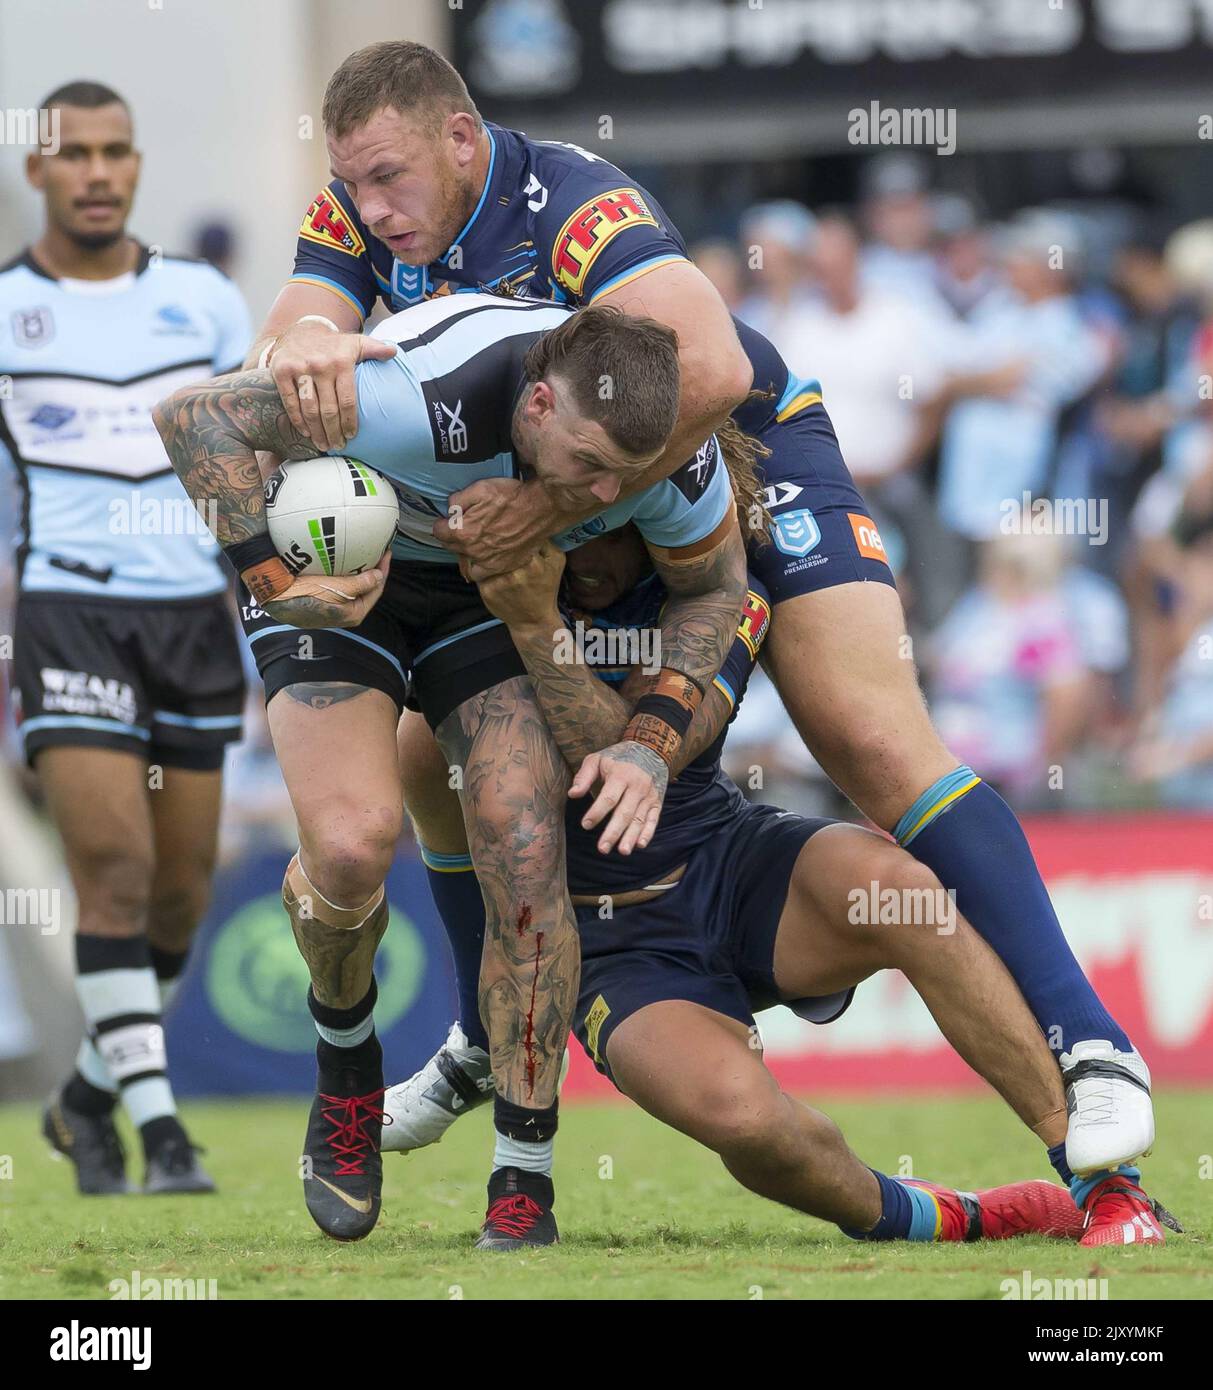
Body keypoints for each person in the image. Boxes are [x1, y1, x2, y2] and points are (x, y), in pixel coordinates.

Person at [255, 39, 1155, 1185]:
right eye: (355, 184)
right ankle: (487, 1031)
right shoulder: (356, 210)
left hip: (737, 445)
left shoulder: (574, 202)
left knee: (869, 738)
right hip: (582, 487)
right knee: (434, 741)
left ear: (462, 140)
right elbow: (282, 341)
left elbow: (714, 367)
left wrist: (539, 505)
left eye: (391, 179)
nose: (372, 209)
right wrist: (310, 347)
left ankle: (1092, 1043)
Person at [383, 525, 1173, 1249]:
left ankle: (1106, 1188)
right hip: (609, 946)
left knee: (908, 896)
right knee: (744, 1120)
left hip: (731, 860)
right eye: (567, 528)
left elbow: (633, 751)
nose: (582, 558)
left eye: (605, 535)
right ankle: (946, 1215)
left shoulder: (718, 578)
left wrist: (536, 629)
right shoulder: (488, 585)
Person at [153, 291, 747, 1246]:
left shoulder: (661, 452)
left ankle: (526, 1176)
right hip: (338, 579)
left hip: (478, 594)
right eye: (589, 468)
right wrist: (276, 582)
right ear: (540, 406)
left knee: (523, 842)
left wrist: (650, 734)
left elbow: (717, 588)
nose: (603, 499)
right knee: (350, 850)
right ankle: (347, 1061)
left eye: (621, 480)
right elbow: (192, 415)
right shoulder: (414, 398)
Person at [1, 81, 251, 1196]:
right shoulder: (5, 311)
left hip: (193, 619)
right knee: (114, 873)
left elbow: (246, 466)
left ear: (137, 166)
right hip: (66, 608)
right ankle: (164, 1137)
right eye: (74, 155)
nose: (97, 172)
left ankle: (83, 1101)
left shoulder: (203, 302)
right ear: (36, 173)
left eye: (116, 152)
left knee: (178, 903)